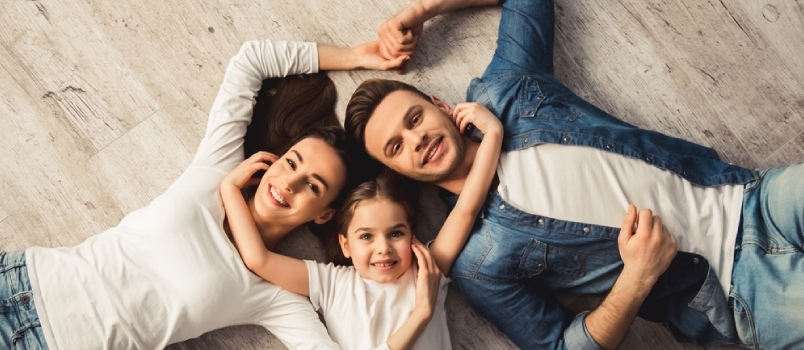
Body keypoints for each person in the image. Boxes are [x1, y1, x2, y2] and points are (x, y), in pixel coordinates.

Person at [344, 0, 804, 349]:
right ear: (396, 170)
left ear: (441, 106)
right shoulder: (478, 263)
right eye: (396, 147)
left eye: (414, 119)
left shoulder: (509, 89)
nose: (416, 140)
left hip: (755, 196)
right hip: (735, 291)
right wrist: (637, 277)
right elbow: (560, 345)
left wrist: (423, 10)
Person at [0, 39, 407, 349]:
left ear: (324, 214)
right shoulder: (217, 168)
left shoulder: (275, 292)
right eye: (292, 162)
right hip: (21, 276)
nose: (288, 184)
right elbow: (251, 60)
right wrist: (356, 55)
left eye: (313, 186)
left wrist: (420, 310)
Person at [220, 97, 504, 349]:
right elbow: (258, 259)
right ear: (345, 243)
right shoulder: (331, 284)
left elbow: (467, 207)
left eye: (395, 233)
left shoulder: (426, 271)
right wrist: (230, 189)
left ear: (412, 235)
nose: (383, 249)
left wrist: (492, 133)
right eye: (366, 237)